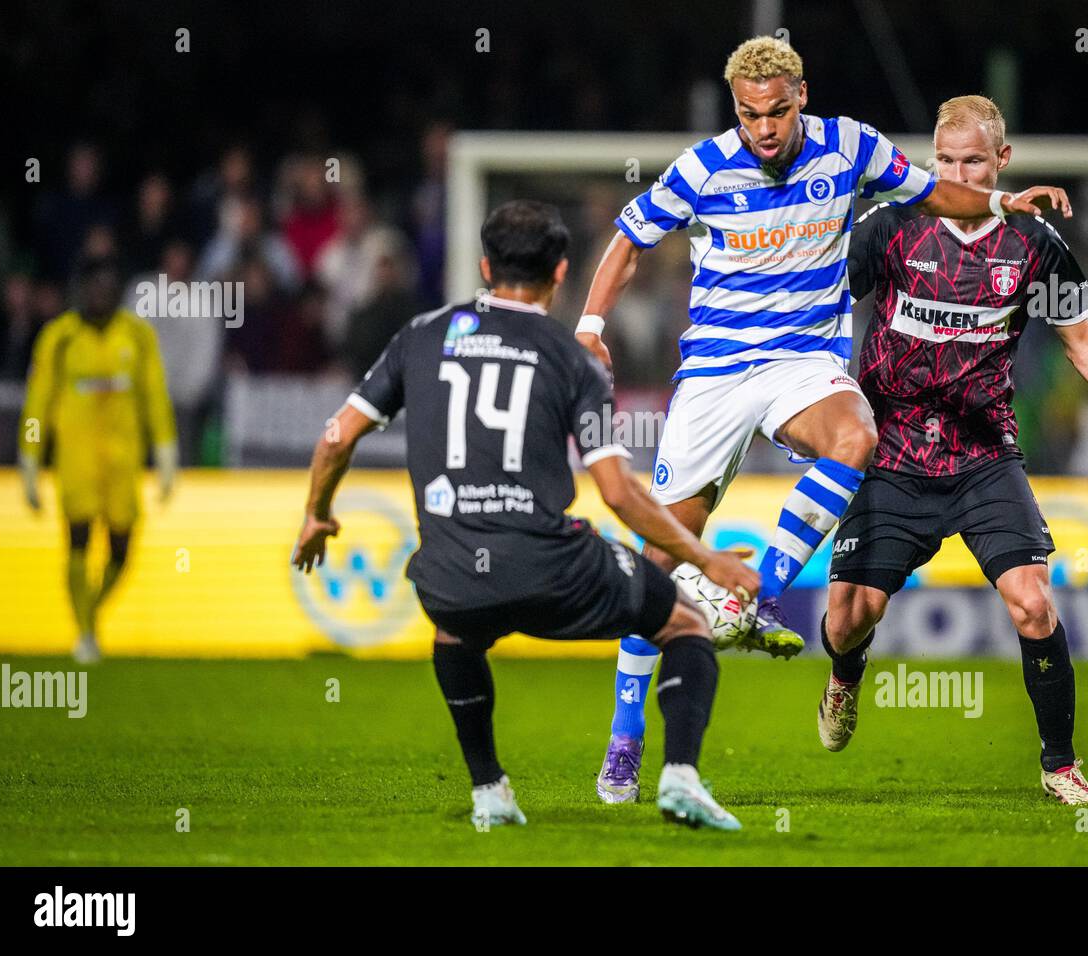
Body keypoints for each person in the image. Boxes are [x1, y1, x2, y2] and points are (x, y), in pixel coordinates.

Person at [579, 35, 1073, 803]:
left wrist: (1004, 202)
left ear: (801, 96)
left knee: (856, 434)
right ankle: (624, 734)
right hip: (713, 373)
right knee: (661, 559)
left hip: (801, 363)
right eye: (750, 116)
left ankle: (757, 593)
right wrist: (588, 325)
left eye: (777, 112)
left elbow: (930, 192)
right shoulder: (702, 167)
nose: (765, 130)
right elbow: (627, 239)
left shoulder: (851, 147)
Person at [292, 200, 759, 830]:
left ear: (485, 265)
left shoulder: (421, 336)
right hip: (552, 566)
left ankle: (490, 790)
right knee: (685, 623)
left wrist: (317, 515)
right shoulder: (575, 359)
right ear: (561, 273)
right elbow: (618, 493)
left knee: (454, 634)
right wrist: (705, 558)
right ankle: (679, 779)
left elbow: (334, 438)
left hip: (450, 570)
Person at [818, 96, 1088, 805]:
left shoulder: (1033, 244)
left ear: (1002, 161)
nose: (957, 174)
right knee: (848, 617)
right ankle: (845, 677)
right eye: (946, 161)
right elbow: (818, 307)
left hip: (983, 453)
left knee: (1032, 604)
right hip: (892, 451)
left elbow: (1083, 344)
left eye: (972, 161)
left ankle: (1060, 766)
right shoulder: (894, 225)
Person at [19, 257, 178, 663]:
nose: (101, 294)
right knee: (77, 542)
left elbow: (155, 397)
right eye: (95, 286)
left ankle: (90, 612)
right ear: (82, 290)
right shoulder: (60, 337)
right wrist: (30, 462)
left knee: (122, 549)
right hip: (77, 460)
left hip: (123, 462)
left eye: (109, 287)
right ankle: (86, 633)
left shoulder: (138, 337)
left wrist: (165, 454)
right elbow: (38, 402)